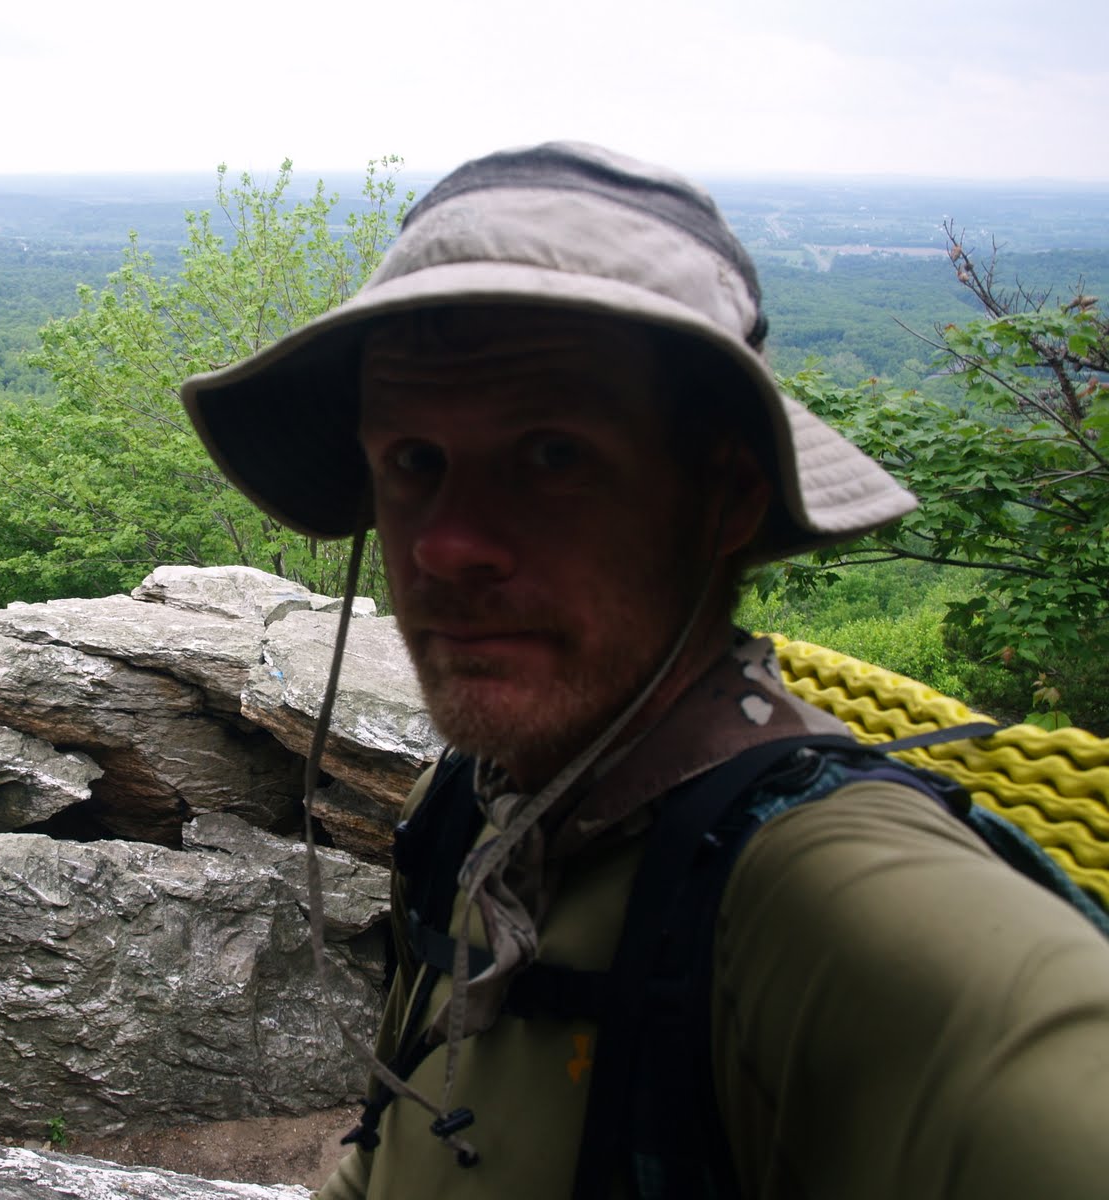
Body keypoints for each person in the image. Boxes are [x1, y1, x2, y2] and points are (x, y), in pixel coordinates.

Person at [180, 142, 1109, 1198]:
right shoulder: (471, 803)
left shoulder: (823, 898)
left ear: (728, 496)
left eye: (553, 455)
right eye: (414, 460)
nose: (445, 544)